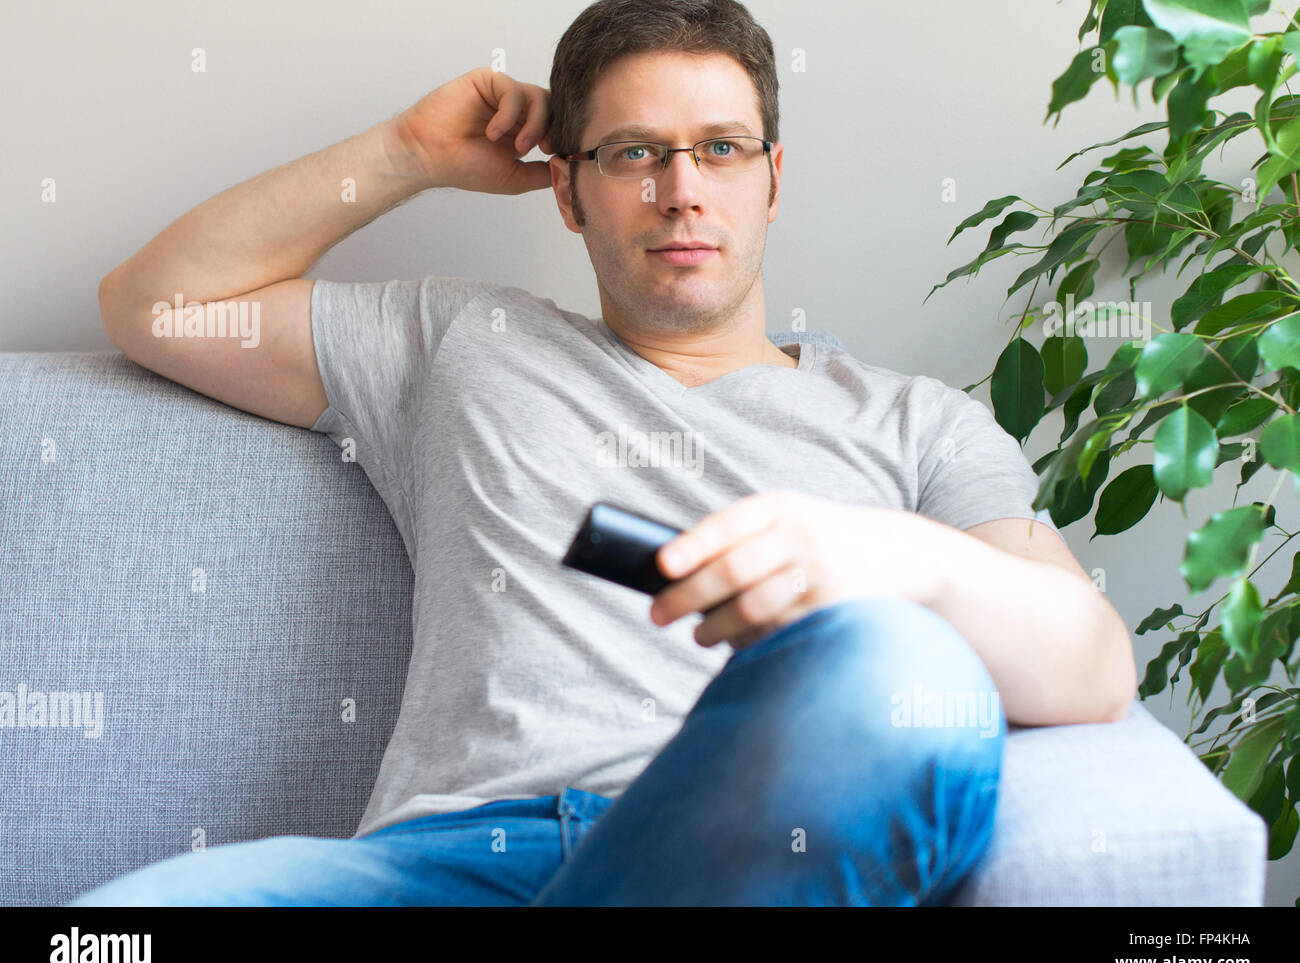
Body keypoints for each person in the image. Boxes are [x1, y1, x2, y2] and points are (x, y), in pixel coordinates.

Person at [74, 0, 1137, 906]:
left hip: (727, 843)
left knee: (904, 666)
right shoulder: (461, 344)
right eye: (634, 152)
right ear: (568, 190)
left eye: (719, 149)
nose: (681, 191)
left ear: (772, 177)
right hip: (445, 864)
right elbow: (157, 306)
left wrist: (894, 560)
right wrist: (406, 154)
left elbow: (1092, 668)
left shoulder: (915, 423)